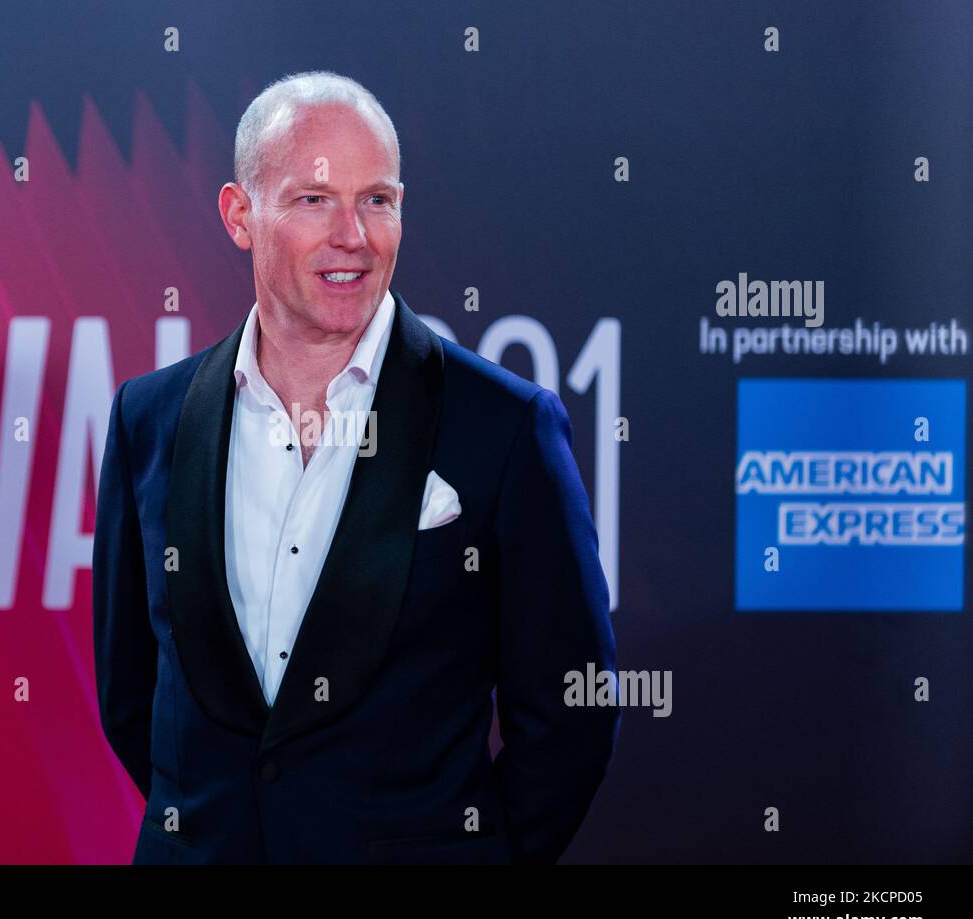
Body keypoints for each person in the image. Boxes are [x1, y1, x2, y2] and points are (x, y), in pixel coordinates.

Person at [92, 70, 619, 864]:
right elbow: (131, 697)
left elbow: (573, 711)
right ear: (241, 215)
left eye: (378, 199)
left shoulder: (504, 427)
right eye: (314, 200)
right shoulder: (149, 419)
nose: (355, 236)